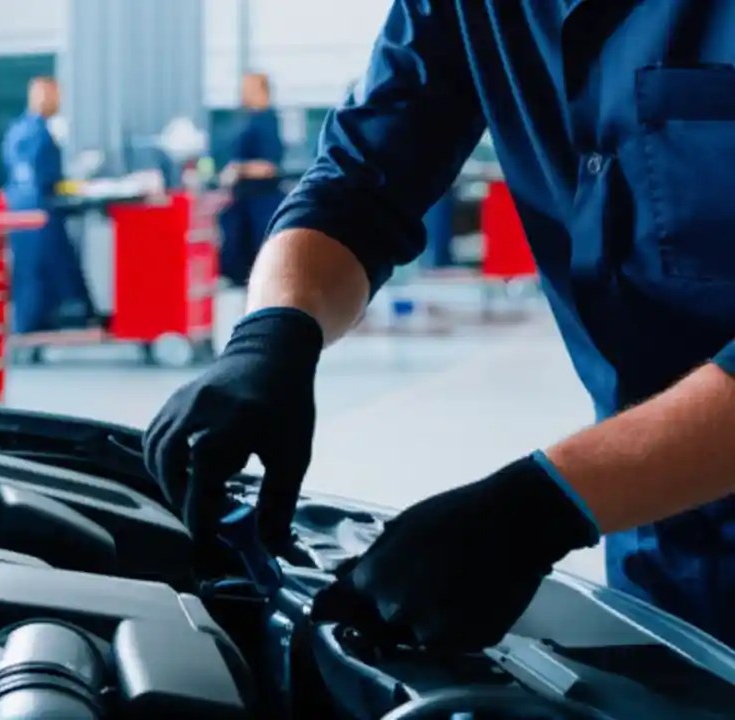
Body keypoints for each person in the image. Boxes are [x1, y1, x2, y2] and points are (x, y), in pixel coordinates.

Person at [144, 1, 735, 651]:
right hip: (658, 556)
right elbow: (360, 184)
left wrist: (546, 505)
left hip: (617, 495)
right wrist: (273, 336)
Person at [2, 76, 97, 334]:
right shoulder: (39, 134)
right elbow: (46, 178)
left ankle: (32, 324)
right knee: (48, 271)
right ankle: (47, 322)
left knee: (30, 274)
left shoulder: (17, 130)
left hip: (21, 211)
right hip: (40, 212)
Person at [219, 73, 285, 287]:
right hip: (243, 204)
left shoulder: (267, 121)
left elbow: (269, 167)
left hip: (260, 204)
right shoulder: (246, 119)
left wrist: (238, 169)